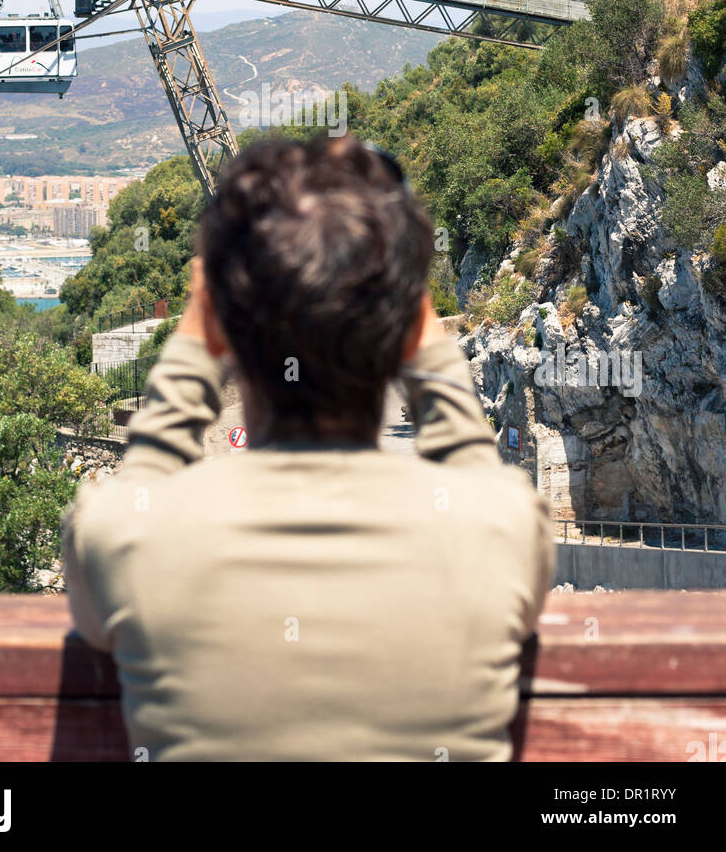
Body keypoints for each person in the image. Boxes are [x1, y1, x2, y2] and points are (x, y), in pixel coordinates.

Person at [63, 134, 553, 762]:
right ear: (408, 331)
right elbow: (476, 478)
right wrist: (418, 321)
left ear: (216, 326)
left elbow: (139, 491)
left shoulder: (120, 534)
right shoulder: (501, 527)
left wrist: (194, 337)